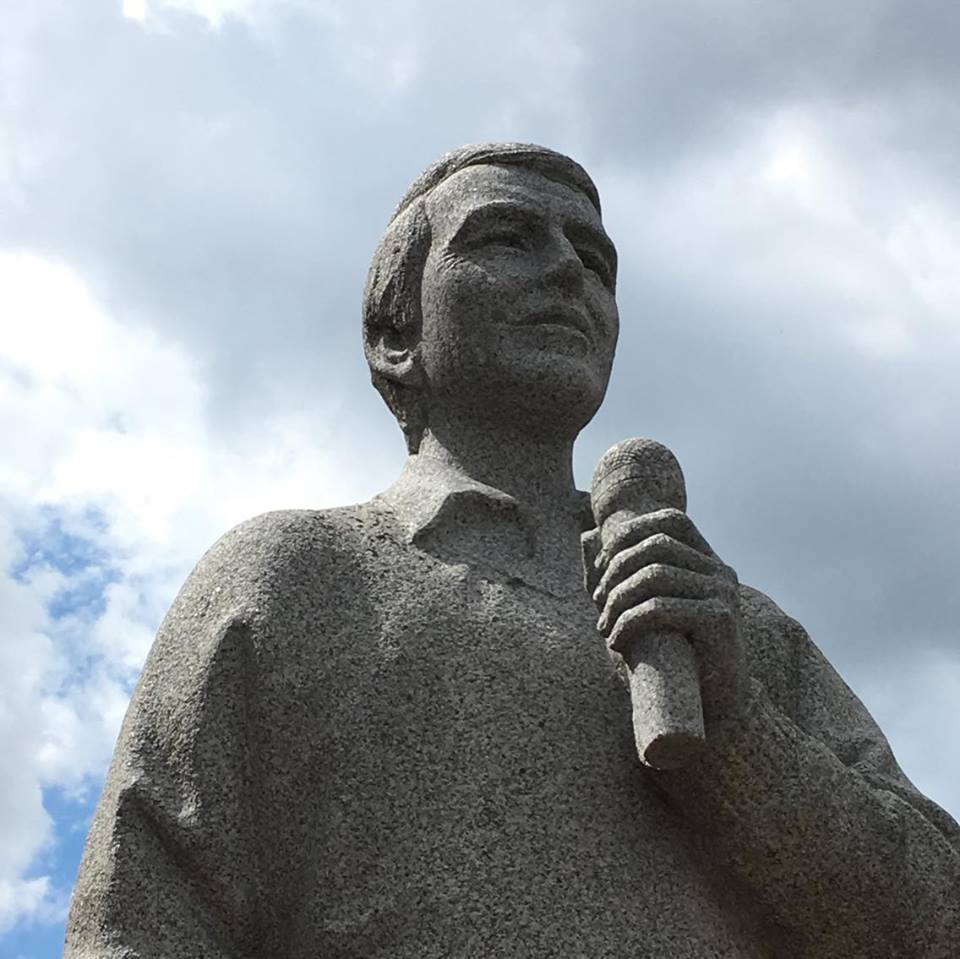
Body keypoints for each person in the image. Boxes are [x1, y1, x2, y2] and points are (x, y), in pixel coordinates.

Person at [65, 143, 960, 957]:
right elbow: (140, 924)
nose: (569, 271)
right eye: (506, 239)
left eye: (596, 260)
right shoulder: (296, 577)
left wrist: (738, 733)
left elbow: (933, 922)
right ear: (395, 334)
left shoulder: (729, 630)